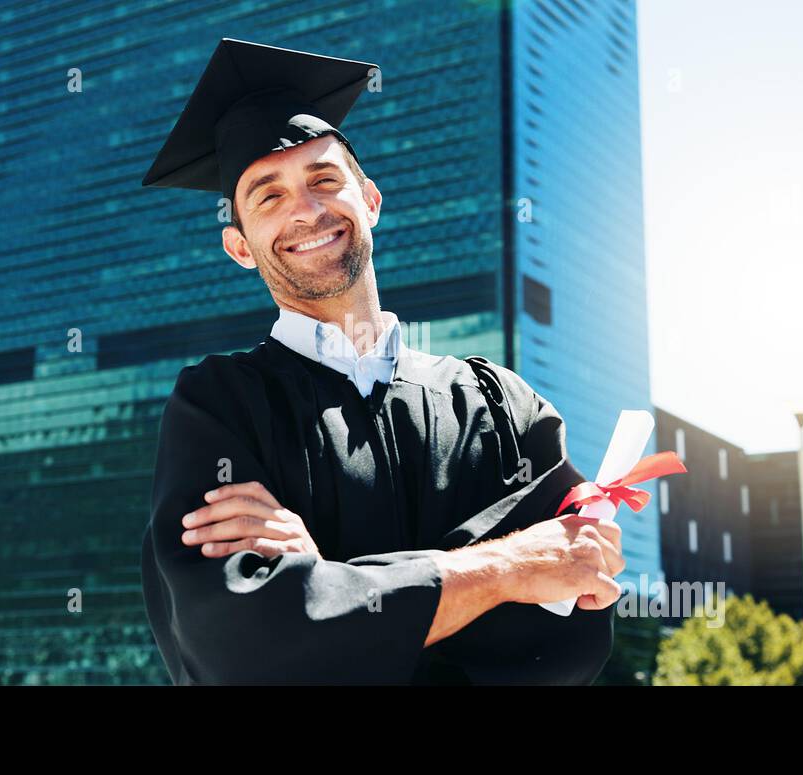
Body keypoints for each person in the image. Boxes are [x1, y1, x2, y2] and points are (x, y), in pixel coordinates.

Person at [139, 39, 627, 685]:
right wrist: (506, 567)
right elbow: (244, 646)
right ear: (240, 247)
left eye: (324, 179)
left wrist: (328, 591)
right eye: (268, 196)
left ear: (369, 199)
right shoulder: (220, 406)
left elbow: (566, 635)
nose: (307, 210)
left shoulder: (499, 402)